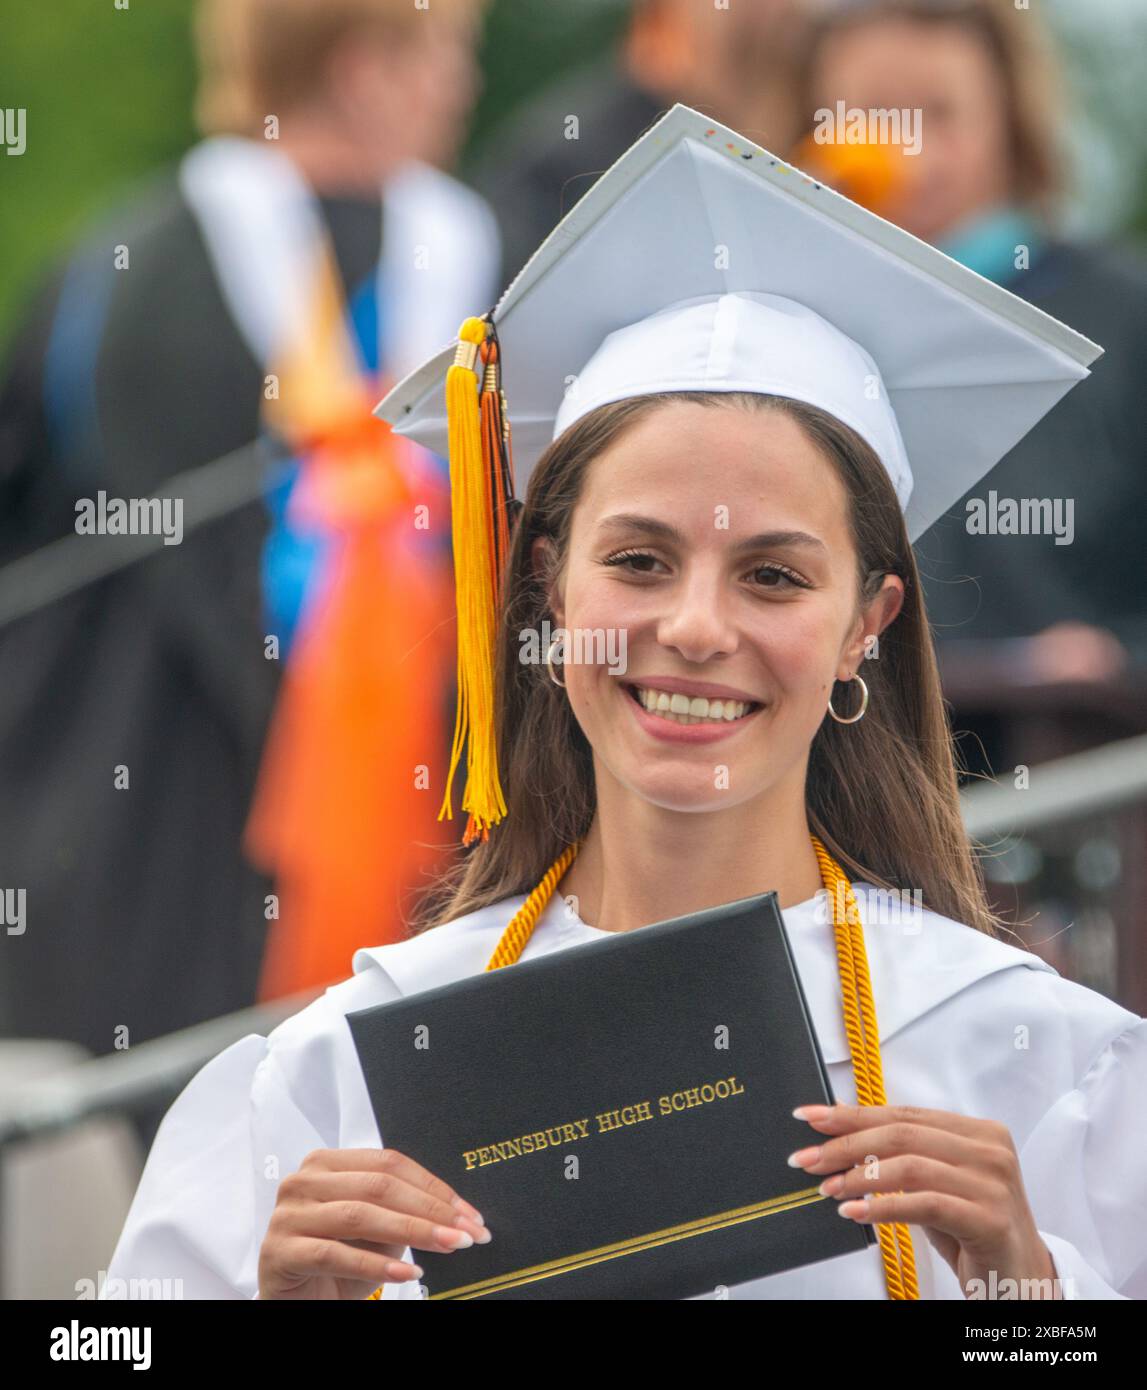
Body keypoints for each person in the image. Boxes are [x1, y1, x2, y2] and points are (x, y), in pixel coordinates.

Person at [104, 104, 1145, 1301]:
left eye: (774, 574)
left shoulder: (1032, 1061)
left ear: (868, 625)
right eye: (640, 560)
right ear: (544, 589)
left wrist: (1029, 1293)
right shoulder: (341, 1073)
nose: (696, 628)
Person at [0, 0, 495, 1055]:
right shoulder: (490, 289)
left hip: (135, 854)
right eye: (449, 51)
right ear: (364, 70)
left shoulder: (119, 265)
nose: (464, 86)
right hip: (421, 817)